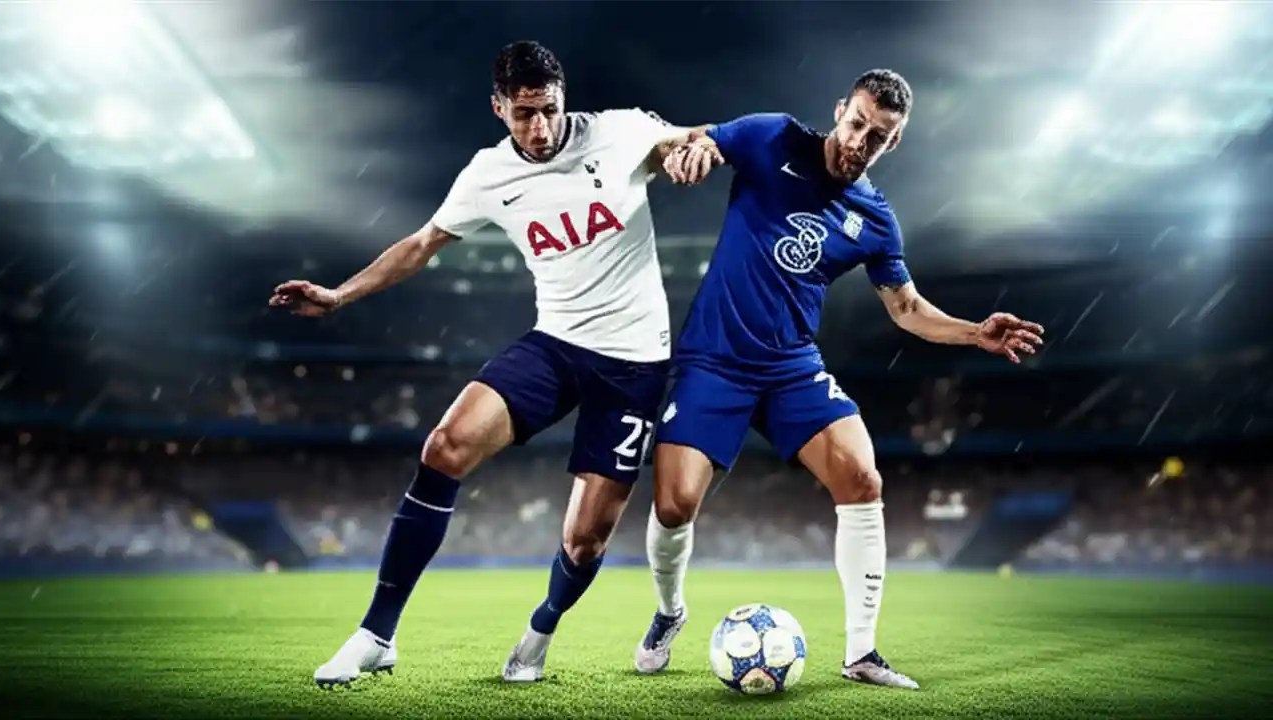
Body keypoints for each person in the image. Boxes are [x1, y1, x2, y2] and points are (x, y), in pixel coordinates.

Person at [270, 40, 696, 687]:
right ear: (498, 107)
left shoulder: (619, 132)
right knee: (444, 445)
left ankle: (539, 631)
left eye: (549, 109)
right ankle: (376, 633)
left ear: (564, 97)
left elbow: (678, 143)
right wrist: (338, 295)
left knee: (585, 542)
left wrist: (683, 151)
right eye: (524, 113)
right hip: (555, 344)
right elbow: (420, 245)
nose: (541, 127)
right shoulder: (487, 175)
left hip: (635, 363)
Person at [634, 69, 1045, 689]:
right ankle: (670, 612)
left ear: (893, 143)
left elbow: (906, 310)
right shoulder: (771, 138)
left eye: (878, 136)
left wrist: (973, 332)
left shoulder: (875, 219)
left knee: (863, 476)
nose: (860, 141)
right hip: (714, 359)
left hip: (791, 366)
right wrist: (694, 148)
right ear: (839, 111)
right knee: (674, 505)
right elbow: (703, 140)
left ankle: (861, 654)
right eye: (856, 124)